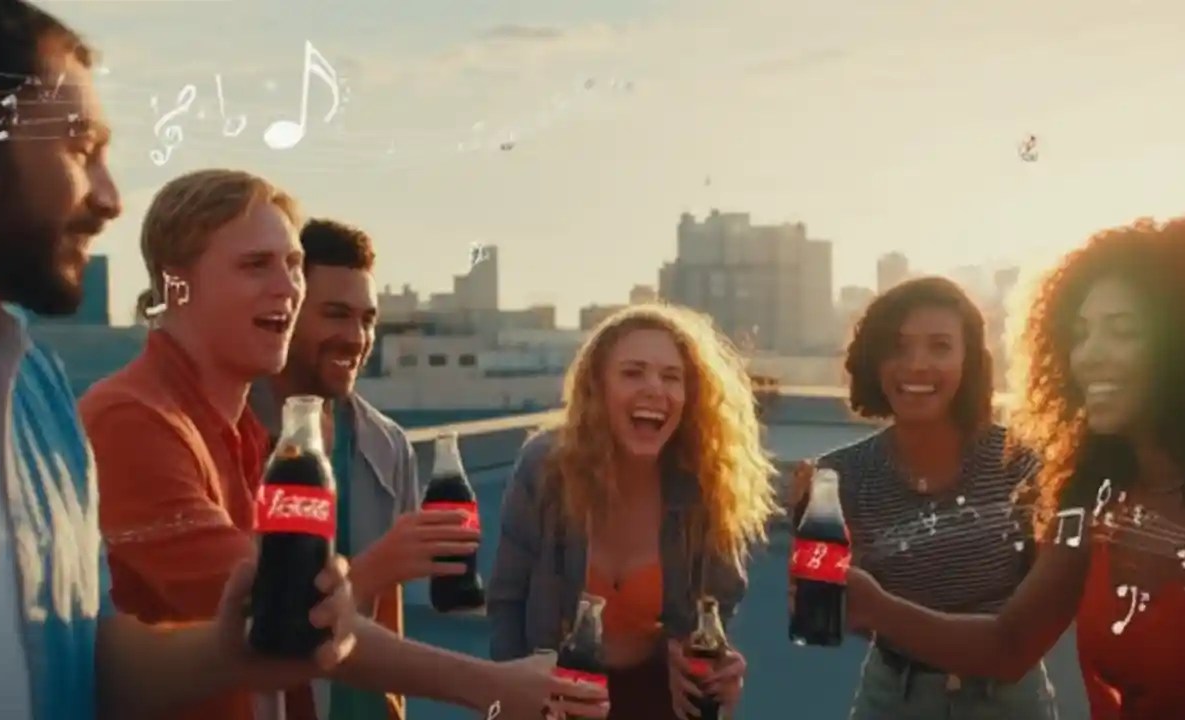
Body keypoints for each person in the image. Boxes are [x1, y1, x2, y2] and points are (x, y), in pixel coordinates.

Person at [80, 168, 608, 720]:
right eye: (255, 265)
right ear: (176, 287)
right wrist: (492, 686)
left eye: (291, 265)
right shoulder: (133, 421)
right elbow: (292, 615)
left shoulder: (246, 435)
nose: (288, 287)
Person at [0, 3, 359, 719]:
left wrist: (232, 650)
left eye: (292, 264)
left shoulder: (38, 397)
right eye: (79, 148)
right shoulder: (124, 415)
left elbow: (87, 656)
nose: (111, 199)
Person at [845, 217, 1185, 720]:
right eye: (1080, 333)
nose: (1089, 355)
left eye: (1123, 331)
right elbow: (1009, 645)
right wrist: (872, 604)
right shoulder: (1094, 499)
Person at [489, 303, 776, 719]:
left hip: (660, 701)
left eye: (671, 377)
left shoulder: (704, 482)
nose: (654, 389)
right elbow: (506, 602)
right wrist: (512, 704)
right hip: (558, 698)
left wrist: (716, 667)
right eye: (632, 373)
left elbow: (719, 601)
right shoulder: (545, 468)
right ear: (598, 388)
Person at [789, 276, 1056, 719]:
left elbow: (1039, 617)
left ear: (969, 361)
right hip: (892, 697)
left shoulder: (1021, 464)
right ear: (874, 361)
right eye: (897, 347)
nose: (916, 365)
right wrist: (816, 567)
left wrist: (878, 608)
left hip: (1007, 699)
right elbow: (834, 617)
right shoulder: (838, 477)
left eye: (940, 347)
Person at [250, 218, 478, 720]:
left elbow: (386, 614)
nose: (356, 338)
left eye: (367, 319)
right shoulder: (237, 433)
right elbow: (254, 620)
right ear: (288, 312)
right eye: (335, 315)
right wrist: (379, 565)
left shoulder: (387, 444)